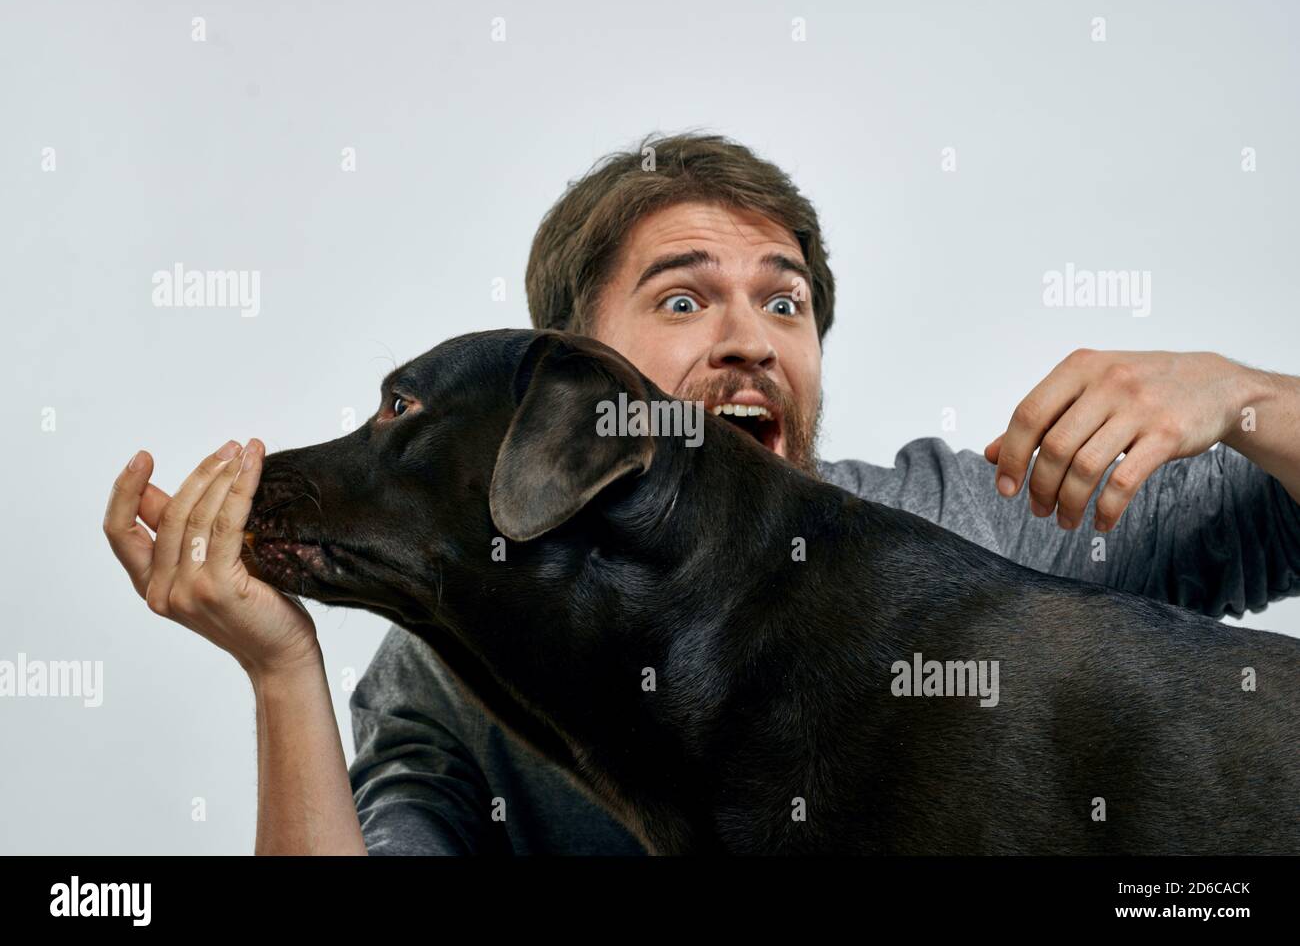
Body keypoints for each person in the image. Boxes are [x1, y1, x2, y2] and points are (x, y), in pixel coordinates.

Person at [103, 132, 1300, 855]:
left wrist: (1242, 399)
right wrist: (280, 671)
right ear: (561, 391)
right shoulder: (454, 670)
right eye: (681, 300)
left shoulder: (995, 518)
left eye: (784, 303)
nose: (749, 340)